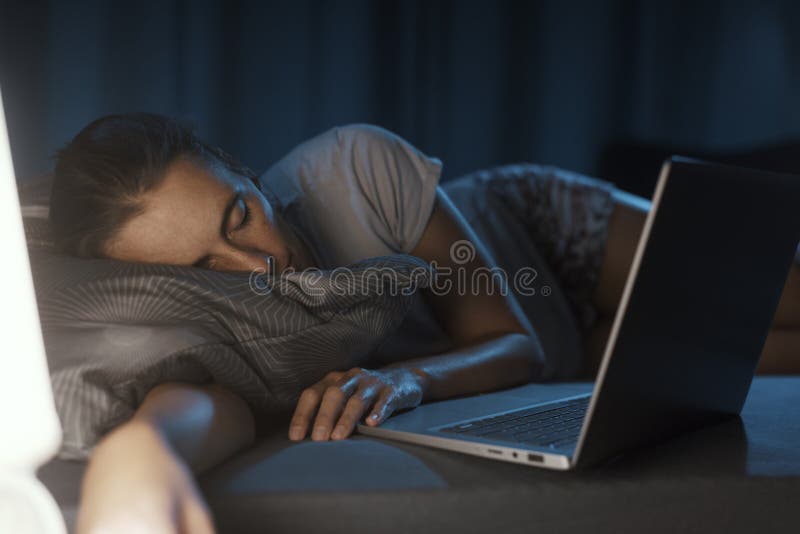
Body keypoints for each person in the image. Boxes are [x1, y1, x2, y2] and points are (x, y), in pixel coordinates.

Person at [49, 113, 800, 533]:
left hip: (544, 241)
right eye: (207, 265)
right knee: (748, 352)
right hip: (586, 357)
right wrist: (141, 450)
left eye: (238, 214)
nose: (258, 265)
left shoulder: (356, 168)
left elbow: (515, 341)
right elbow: (203, 396)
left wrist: (402, 378)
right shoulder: (220, 322)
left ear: (238, 167)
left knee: (776, 288)